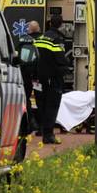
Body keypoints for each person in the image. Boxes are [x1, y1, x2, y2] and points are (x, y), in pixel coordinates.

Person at [33, 16, 66, 144]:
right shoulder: (57, 40)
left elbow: (34, 57)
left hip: (39, 79)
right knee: (52, 106)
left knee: (42, 105)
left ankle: (42, 130)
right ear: (61, 25)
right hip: (52, 79)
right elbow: (60, 59)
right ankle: (48, 135)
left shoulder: (39, 38)